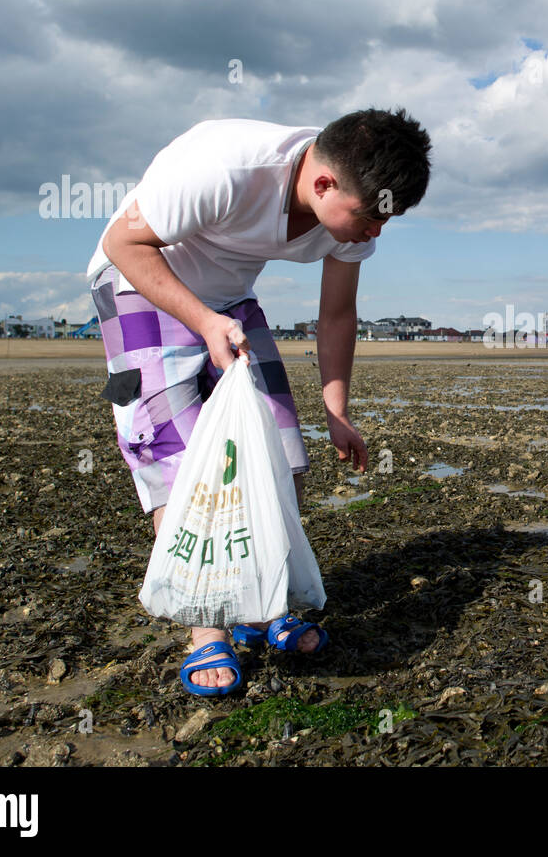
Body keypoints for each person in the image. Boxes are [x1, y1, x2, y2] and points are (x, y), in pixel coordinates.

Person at [85, 110, 432, 694]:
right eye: (371, 218)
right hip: (137, 283)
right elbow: (123, 241)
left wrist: (337, 409)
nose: (376, 233)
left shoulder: (352, 218)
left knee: (283, 458)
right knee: (180, 465)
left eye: (387, 219)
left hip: (230, 298)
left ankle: (261, 606)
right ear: (324, 184)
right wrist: (201, 320)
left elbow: (337, 315)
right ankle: (207, 633)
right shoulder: (225, 168)